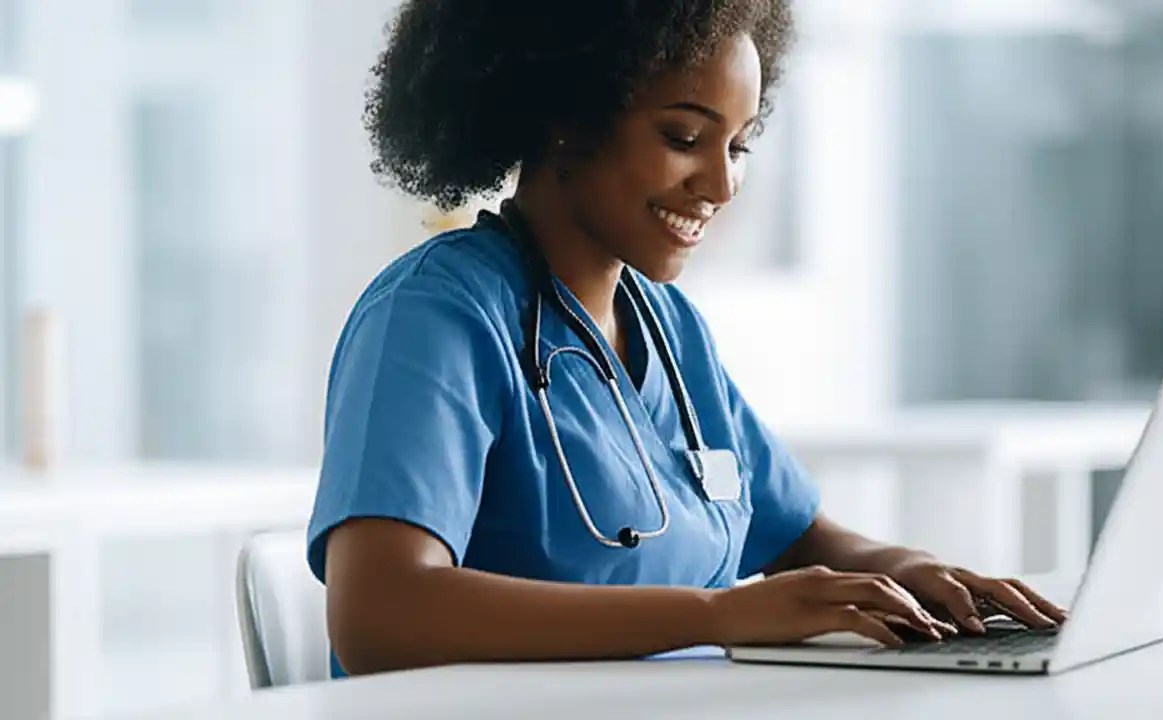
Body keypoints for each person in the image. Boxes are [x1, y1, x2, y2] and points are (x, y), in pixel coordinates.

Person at [307, 0, 1067, 678]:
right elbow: (381, 615)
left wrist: (911, 571)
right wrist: (716, 615)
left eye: (738, 146)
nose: (722, 185)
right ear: (566, 115)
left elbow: (797, 538)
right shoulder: (435, 315)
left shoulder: (669, 331)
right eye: (685, 137)